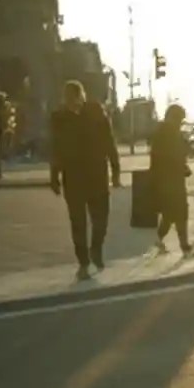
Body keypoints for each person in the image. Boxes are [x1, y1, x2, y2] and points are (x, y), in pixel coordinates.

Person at [50, 80, 121, 279]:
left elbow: (110, 142)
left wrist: (115, 170)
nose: (71, 103)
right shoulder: (60, 119)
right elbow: (56, 149)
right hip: (73, 178)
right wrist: (54, 176)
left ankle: (96, 249)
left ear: (81, 96)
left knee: (101, 220)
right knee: (78, 223)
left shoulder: (97, 114)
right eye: (67, 99)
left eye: (74, 98)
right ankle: (83, 262)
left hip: (97, 176)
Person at [150, 104, 194, 255]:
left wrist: (183, 167)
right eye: (180, 120)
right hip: (169, 181)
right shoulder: (167, 134)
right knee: (179, 212)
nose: (180, 123)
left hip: (169, 180)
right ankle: (184, 247)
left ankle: (159, 241)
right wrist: (181, 166)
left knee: (170, 214)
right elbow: (172, 156)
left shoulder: (165, 132)